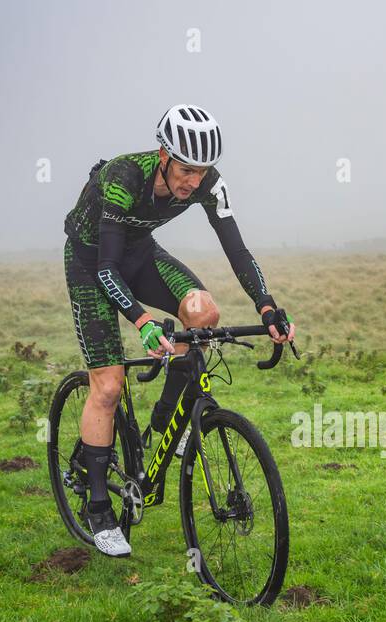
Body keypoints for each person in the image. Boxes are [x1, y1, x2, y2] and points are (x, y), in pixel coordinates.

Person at [63, 104, 295, 557]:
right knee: (108, 387)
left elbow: (237, 248)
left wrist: (267, 306)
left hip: (141, 253)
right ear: (164, 156)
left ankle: (167, 416)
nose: (193, 181)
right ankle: (97, 508)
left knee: (202, 313)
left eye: (201, 171)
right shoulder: (122, 178)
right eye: (186, 170)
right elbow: (108, 268)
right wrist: (142, 320)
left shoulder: (209, 183)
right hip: (92, 264)